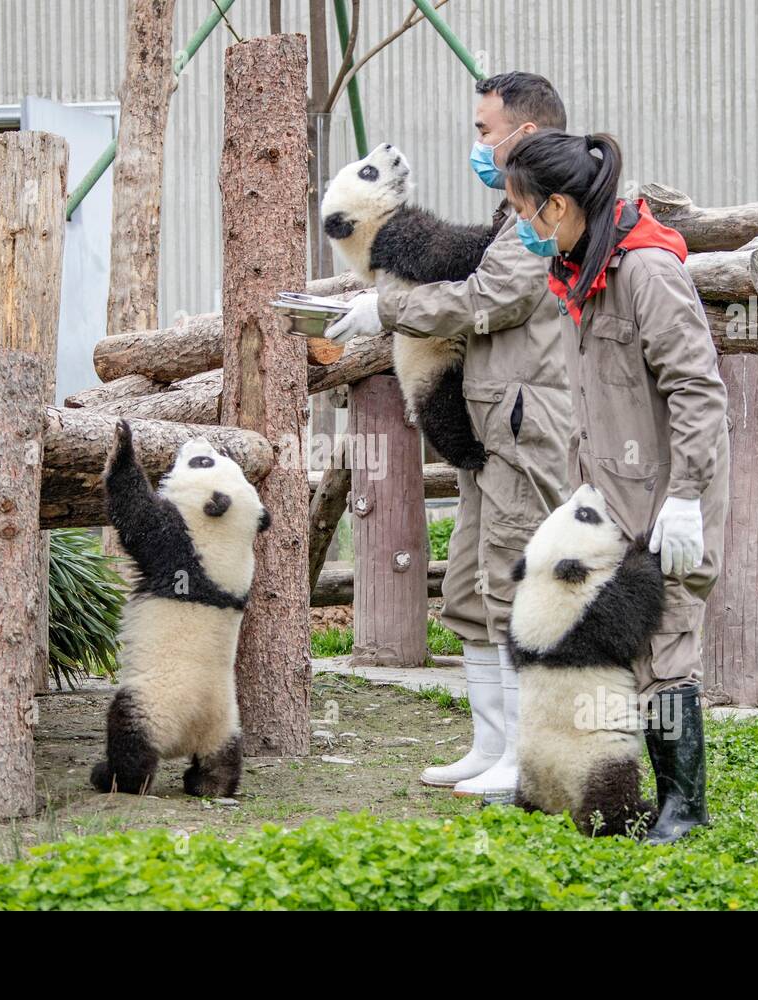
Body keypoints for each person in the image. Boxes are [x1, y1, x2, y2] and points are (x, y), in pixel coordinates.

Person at [325, 72, 573, 800]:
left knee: (515, 586)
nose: (476, 143)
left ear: (524, 135)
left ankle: (530, 757)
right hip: (485, 422)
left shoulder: (544, 212)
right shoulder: (510, 208)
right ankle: (491, 744)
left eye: (483, 131)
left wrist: (390, 308)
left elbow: (493, 297)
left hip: (526, 425)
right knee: (468, 587)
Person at [502, 129, 730, 843]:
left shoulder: (647, 272)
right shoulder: (583, 265)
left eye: (523, 210)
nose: (519, 224)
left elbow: (698, 391)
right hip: (607, 500)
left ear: (560, 205)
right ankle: (578, 785)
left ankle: (683, 807)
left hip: (666, 501)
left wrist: (688, 495)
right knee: (611, 644)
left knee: (665, 647)